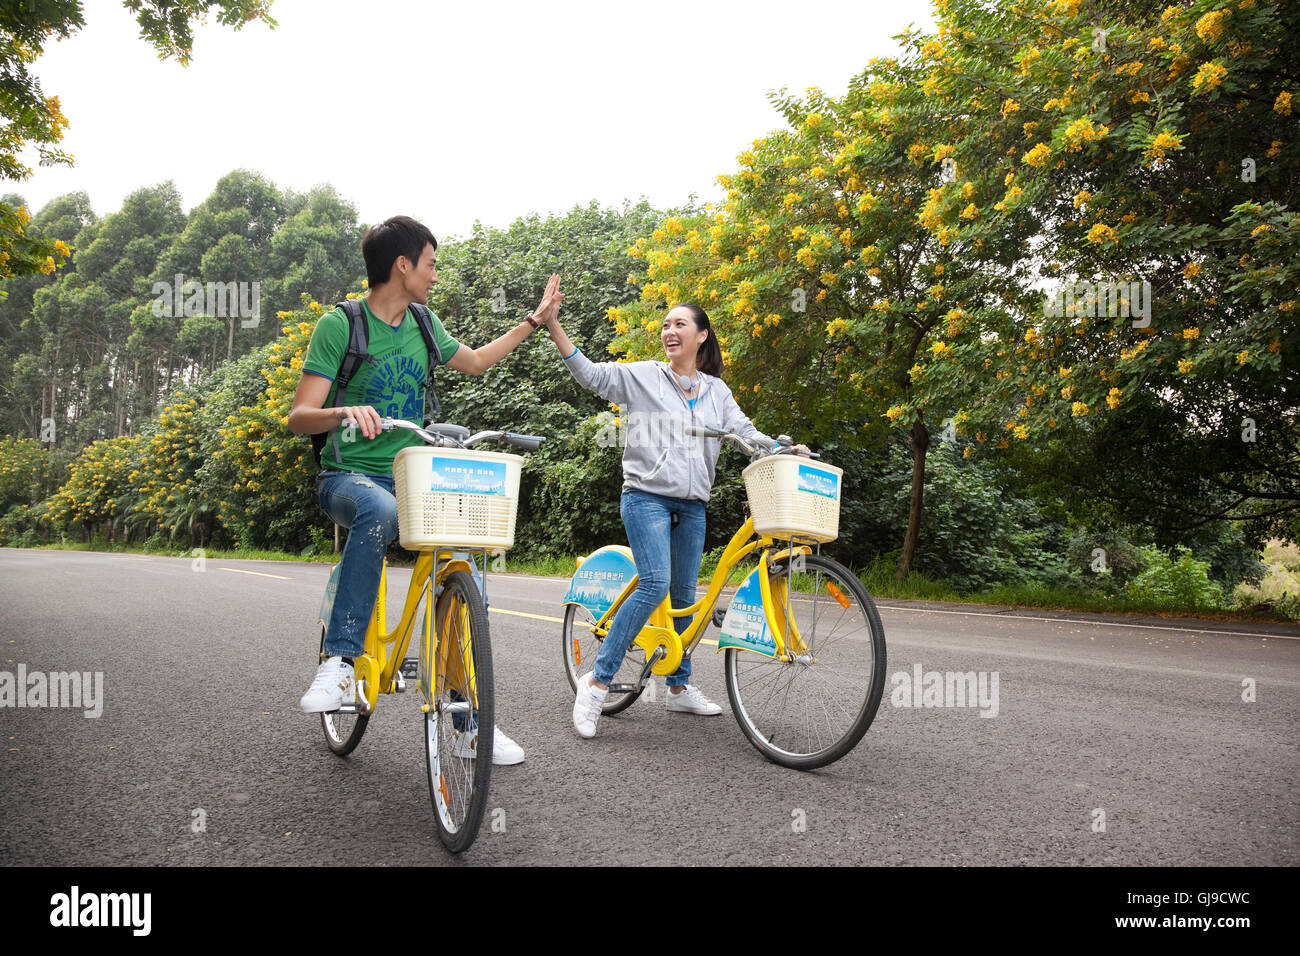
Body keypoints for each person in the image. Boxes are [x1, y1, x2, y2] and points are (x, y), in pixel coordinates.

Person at [288, 215, 562, 765]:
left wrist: (535, 320)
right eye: (431, 263)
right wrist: (344, 410)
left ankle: (464, 717)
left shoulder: (423, 323)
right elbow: (300, 417)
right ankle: (340, 663)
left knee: (462, 553)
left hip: (412, 473)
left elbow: (479, 363)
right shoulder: (341, 326)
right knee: (379, 511)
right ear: (403, 265)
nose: (436, 274)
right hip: (348, 476)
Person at [542, 301, 806, 738]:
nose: (669, 330)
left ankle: (679, 685)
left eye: (679, 324)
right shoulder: (644, 376)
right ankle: (596, 683)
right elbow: (591, 375)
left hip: (692, 504)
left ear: (701, 335)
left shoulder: (716, 392)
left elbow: (744, 432)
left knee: (686, 597)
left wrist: (778, 448)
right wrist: (553, 326)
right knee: (655, 584)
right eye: (665, 324)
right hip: (645, 497)